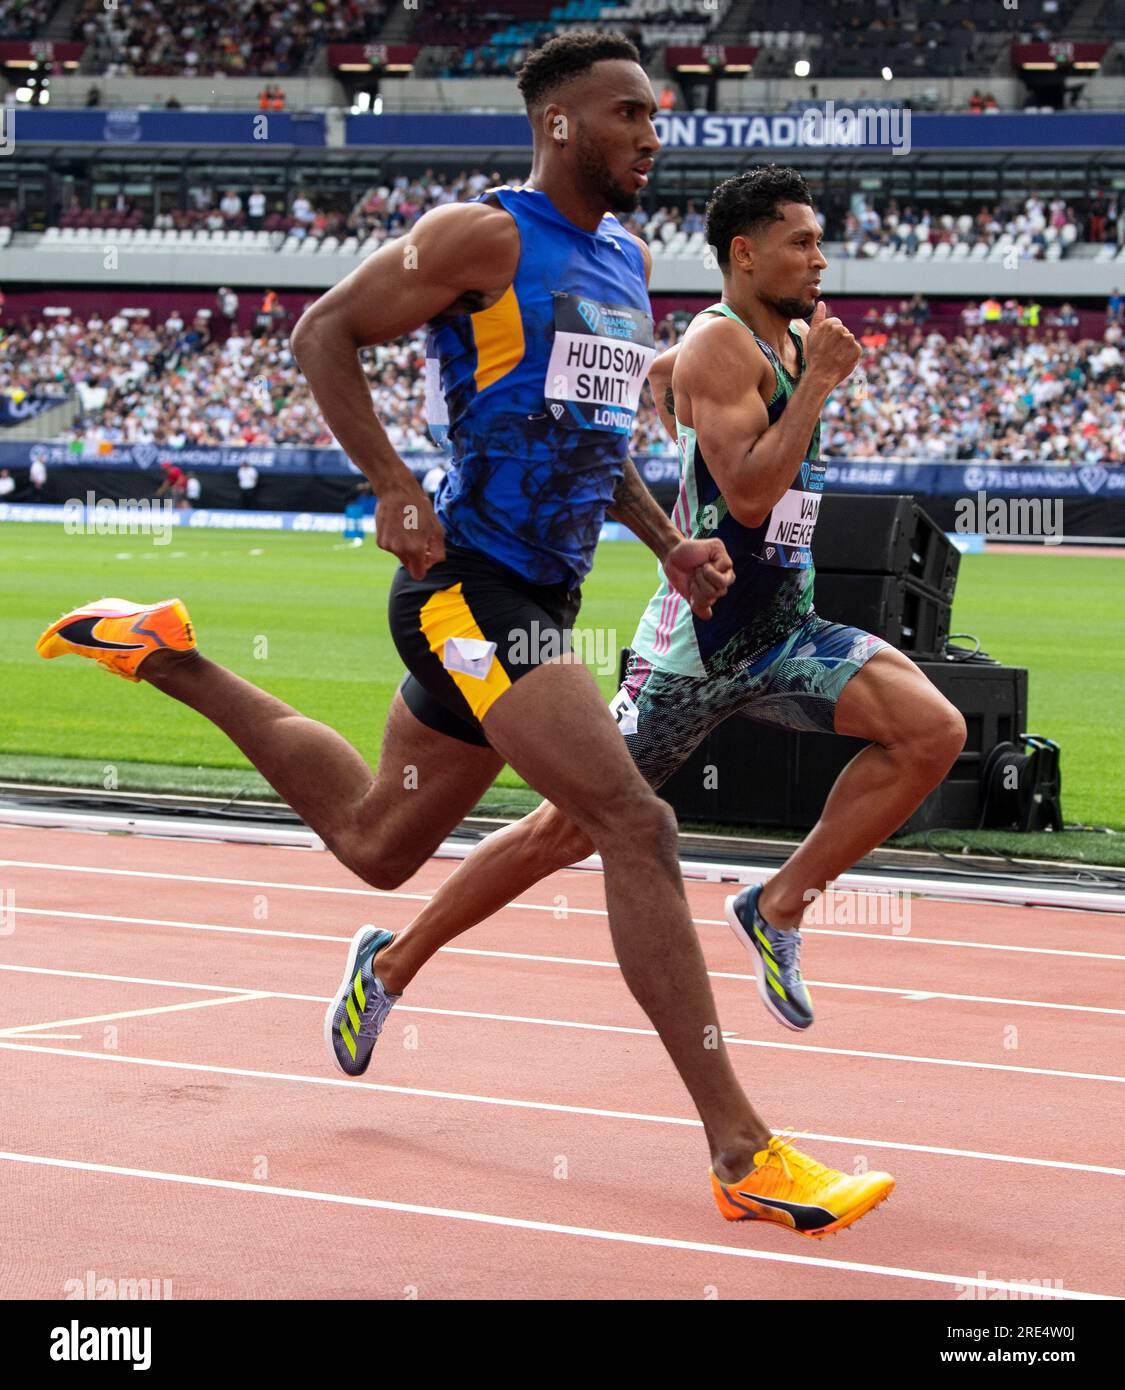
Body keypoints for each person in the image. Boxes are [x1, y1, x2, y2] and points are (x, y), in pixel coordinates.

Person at [35, 33, 893, 1236]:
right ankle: (743, 1150)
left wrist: (666, 541)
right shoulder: (484, 236)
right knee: (633, 820)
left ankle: (166, 653)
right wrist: (391, 482)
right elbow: (322, 331)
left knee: (377, 843)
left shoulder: (626, 260)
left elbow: (593, 440)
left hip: (541, 598)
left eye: (658, 116)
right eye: (630, 114)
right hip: (467, 589)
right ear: (559, 123)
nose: (653, 135)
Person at [361, 162, 966, 1050]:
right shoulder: (726, 344)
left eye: (819, 242)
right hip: (698, 648)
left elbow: (659, 377)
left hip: (783, 630)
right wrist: (814, 389)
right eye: (801, 243)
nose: (819, 260)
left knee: (932, 731)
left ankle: (776, 904)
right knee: (564, 833)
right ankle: (390, 963)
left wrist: (686, 392)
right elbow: (749, 496)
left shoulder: (782, 341)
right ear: (744, 253)